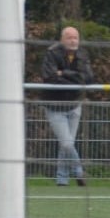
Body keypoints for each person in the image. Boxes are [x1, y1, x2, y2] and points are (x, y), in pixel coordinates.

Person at [39, 26, 94, 186]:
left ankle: (62, 179)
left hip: (74, 104)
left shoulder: (82, 54)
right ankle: (79, 172)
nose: (73, 41)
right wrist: (75, 78)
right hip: (55, 106)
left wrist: (63, 73)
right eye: (69, 37)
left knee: (67, 144)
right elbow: (49, 77)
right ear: (62, 39)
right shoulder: (52, 53)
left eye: (75, 37)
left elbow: (88, 78)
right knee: (67, 143)